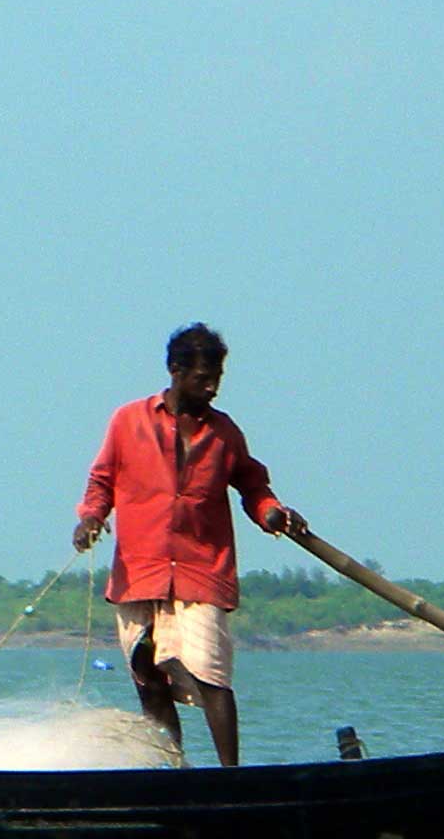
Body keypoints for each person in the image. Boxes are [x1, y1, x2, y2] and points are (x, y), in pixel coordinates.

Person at [73, 323, 307, 767]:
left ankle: (230, 776)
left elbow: (253, 486)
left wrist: (272, 513)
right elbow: (101, 480)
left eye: (217, 377)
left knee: (210, 674)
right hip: (139, 571)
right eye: (203, 378)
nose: (213, 388)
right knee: (148, 674)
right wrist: (90, 518)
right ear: (176, 372)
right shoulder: (129, 421)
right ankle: (174, 770)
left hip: (202, 570)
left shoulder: (224, 433)